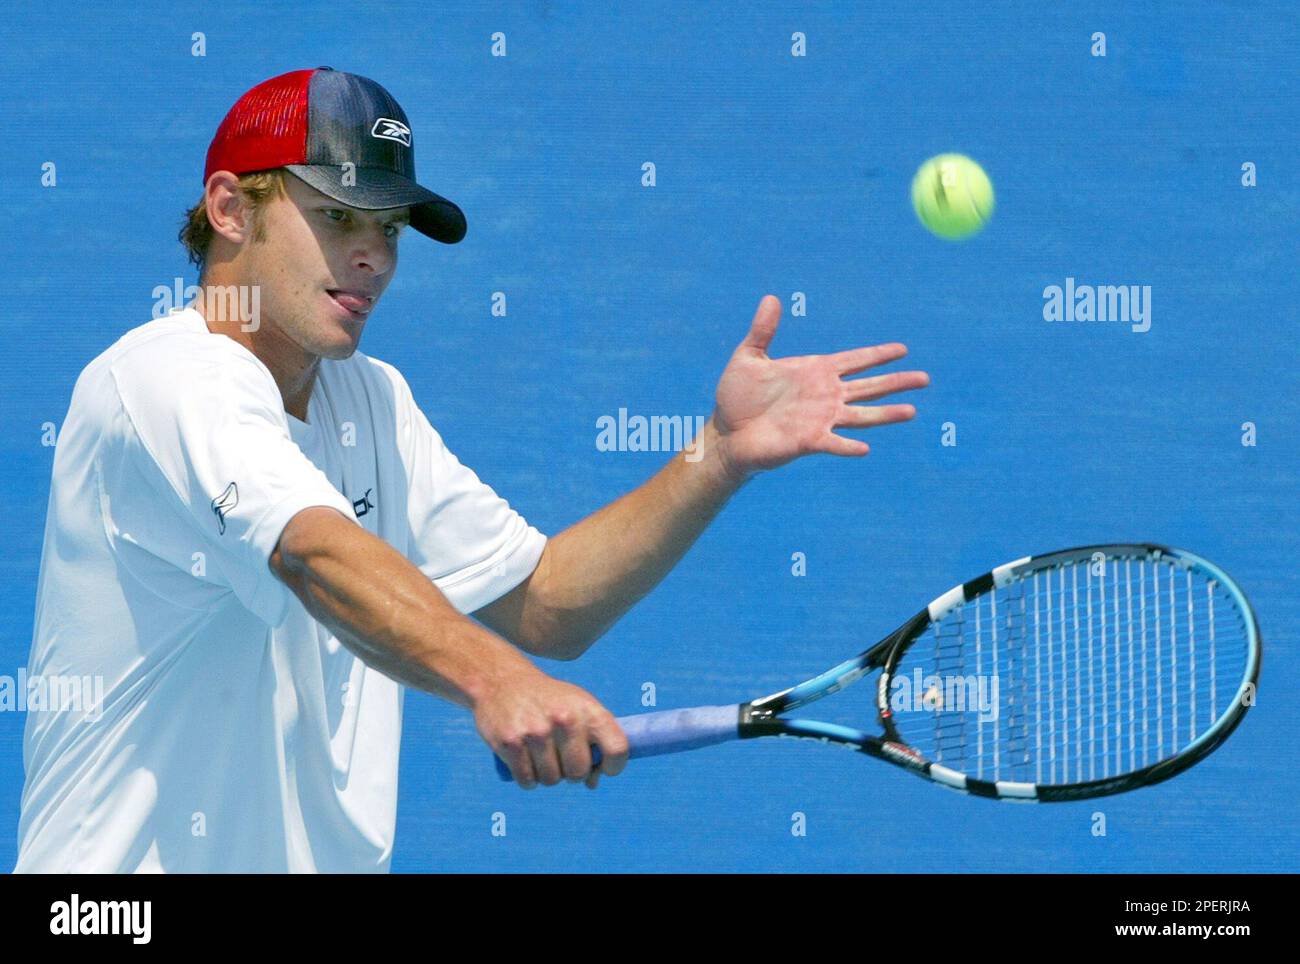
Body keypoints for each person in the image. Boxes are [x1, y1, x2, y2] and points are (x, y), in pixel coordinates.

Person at [14, 68, 929, 873]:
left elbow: (545, 602)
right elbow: (313, 553)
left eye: (390, 229)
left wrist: (717, 456)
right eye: (336, 216)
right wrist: (495, 681)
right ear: (228, 208)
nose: (372, 255)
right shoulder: (165, 377)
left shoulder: (371, 401)